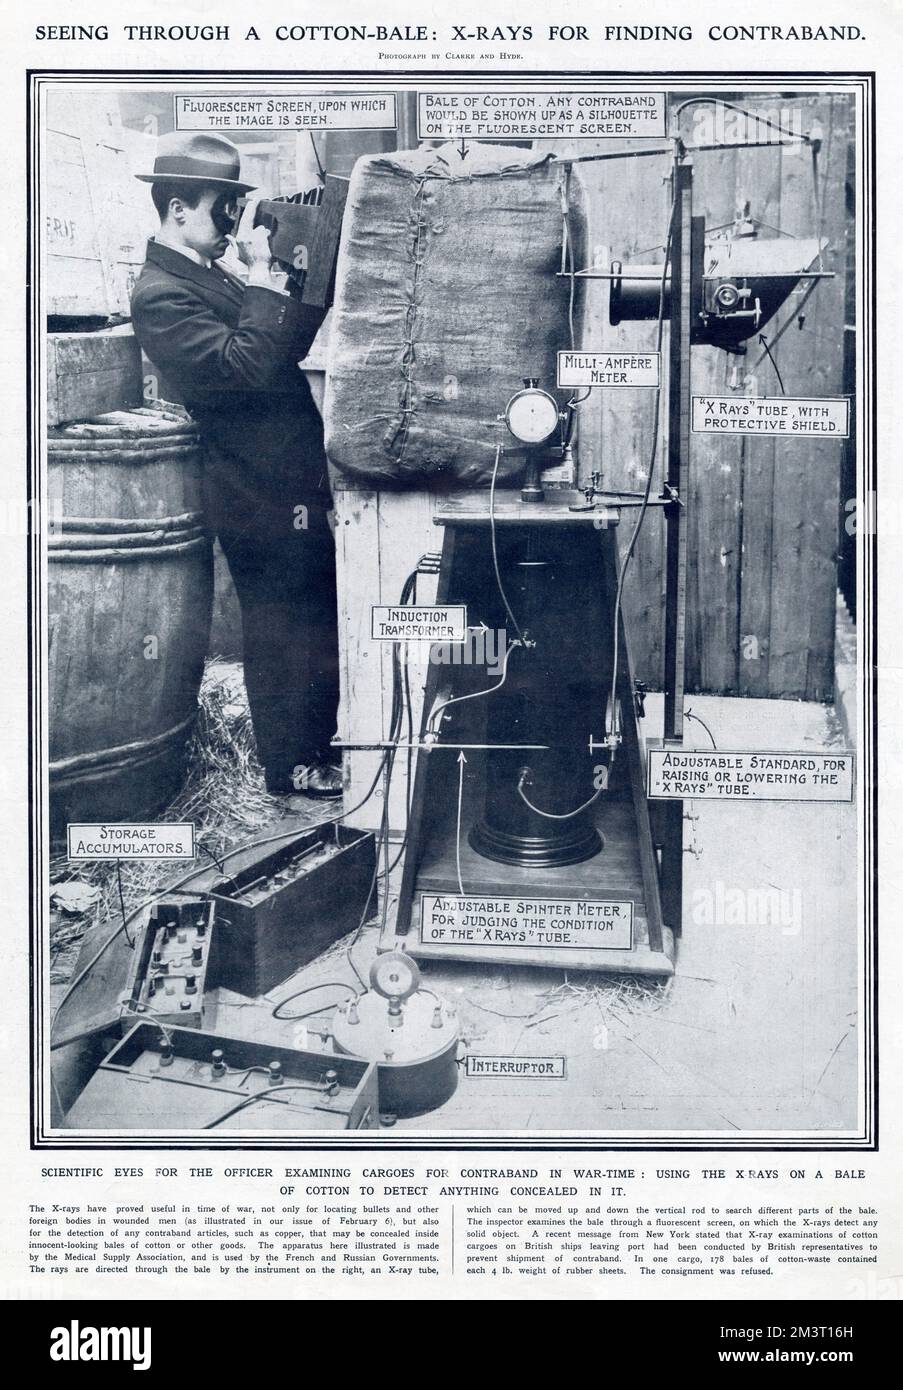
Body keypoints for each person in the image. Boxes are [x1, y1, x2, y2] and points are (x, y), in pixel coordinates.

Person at [130, 131, 342, 799]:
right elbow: (246, 368)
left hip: (288, 477)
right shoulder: (159, 294)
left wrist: (298, 274)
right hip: (252, 488)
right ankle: (291, 766)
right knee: (281, 627)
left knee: (311, 616)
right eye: (223, 207)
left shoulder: (207, 274)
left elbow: (280, 346)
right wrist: (260, 276)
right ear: (177, 210)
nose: (232, 222)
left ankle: (319, 746)